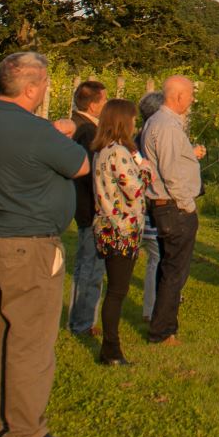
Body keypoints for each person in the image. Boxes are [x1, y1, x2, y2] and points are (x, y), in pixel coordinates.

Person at [0, 51, 90, 437]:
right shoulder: (36, 130)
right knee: (31, 339)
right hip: (29, 244)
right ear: (32, 88)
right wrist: (62, 132)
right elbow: (79, 166)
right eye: (44, 84)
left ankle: (2, 418)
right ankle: (25, 430)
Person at [140, 75, 205, 344]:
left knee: (169, 268)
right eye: (190, 95)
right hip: (174, 206)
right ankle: (163, 330)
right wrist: (187, 205)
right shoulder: (165, 126)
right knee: (174, 271)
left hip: (169, 205)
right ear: (178, 96)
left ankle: (161, 322)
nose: (192, 100)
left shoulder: (161, 123)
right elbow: (170, 172)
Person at [90, 98, 148, 366]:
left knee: (115, 288)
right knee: (117, 290)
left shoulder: (101, 150)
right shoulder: (119, 153)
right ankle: (111, 349)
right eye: (133, 119)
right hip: (122, 227)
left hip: (106, 223)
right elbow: (134, 188)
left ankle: (110, 347)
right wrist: (145, 171)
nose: (135, 123)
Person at [67, 80, 108, 339]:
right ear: (93, 105)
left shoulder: (79, 126)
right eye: (104, 100)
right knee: (91, 267)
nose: (106, 104)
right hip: (91, 208)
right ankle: (82, 322)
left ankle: (78, 319)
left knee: (85, 264)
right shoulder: (87, 133)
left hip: (83, 206)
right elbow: (94, 175)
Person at [136, 91, 164, 322]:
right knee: (157, 257)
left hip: (143, 208)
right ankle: (152, 307)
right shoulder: (153, 137)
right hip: (149, 208)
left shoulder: (139, 136)